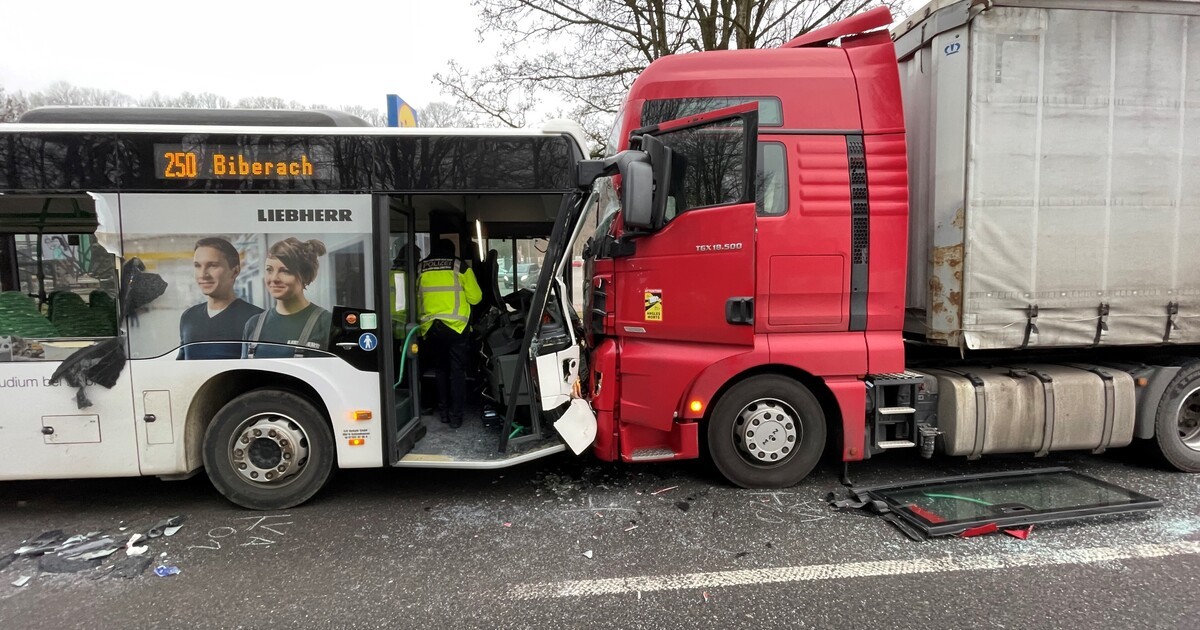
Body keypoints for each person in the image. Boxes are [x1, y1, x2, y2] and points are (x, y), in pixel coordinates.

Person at [417, 238, 481, 428]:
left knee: (440, 370)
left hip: (430, 327)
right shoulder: (460, 266)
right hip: (456, 327)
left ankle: (443, 412)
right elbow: (476, 298)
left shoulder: (420, 267)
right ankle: (456, 417)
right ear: (453, 250)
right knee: (457, 372)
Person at [243, 238, 332, 359]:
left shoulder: (327, 323)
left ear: (305, 276)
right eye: (269, 270)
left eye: (285, 271)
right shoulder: (253, 324)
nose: (274, 278)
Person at [179, 237, 262, 360]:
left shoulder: (257, 319)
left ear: (235, 271)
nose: (203, 274)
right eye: (197, 266)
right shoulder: (189, 316)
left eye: (212, 265)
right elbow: (182, 364)